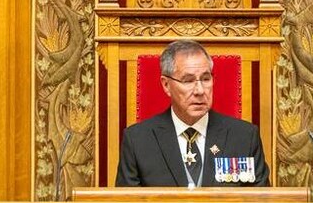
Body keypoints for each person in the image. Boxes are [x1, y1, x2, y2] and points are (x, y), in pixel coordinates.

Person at [116, 39, 270, 187]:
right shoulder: (138, 140)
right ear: (166, 85)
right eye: (188, 81)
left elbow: (261, 201)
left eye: (206, 79)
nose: (200, 91)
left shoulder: (244, 137)